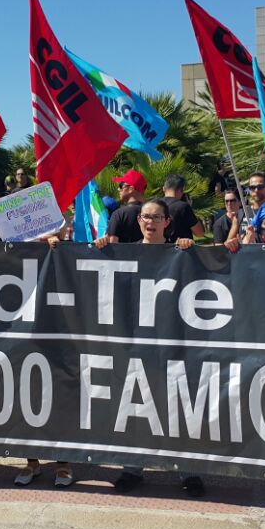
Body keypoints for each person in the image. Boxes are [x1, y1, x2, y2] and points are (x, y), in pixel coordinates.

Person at [95, 199, 202, 497]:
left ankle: (188, 470)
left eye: (156, 217)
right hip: (135, 345)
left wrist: (191, 248)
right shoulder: (123, 253)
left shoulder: (181, 253)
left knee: (178, 408)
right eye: (145, 217)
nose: (150, 222)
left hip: (173, 344)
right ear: (138, 221)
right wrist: (100, 247)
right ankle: (132, 468)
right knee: (136, 408)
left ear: (167, 222)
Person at [104, 169, 147, 244]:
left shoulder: (119, 214)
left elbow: (112, 243)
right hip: (153, 251)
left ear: (131, 189)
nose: (118, 189)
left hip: (124, 252)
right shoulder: (156, 213)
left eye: (121, 186)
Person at [161, 174, 203, 242]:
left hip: (158, 247)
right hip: (180, 247)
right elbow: (199, 233)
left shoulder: (153, 205)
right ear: (181, 190)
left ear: (163, 188)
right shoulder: (183, 207)